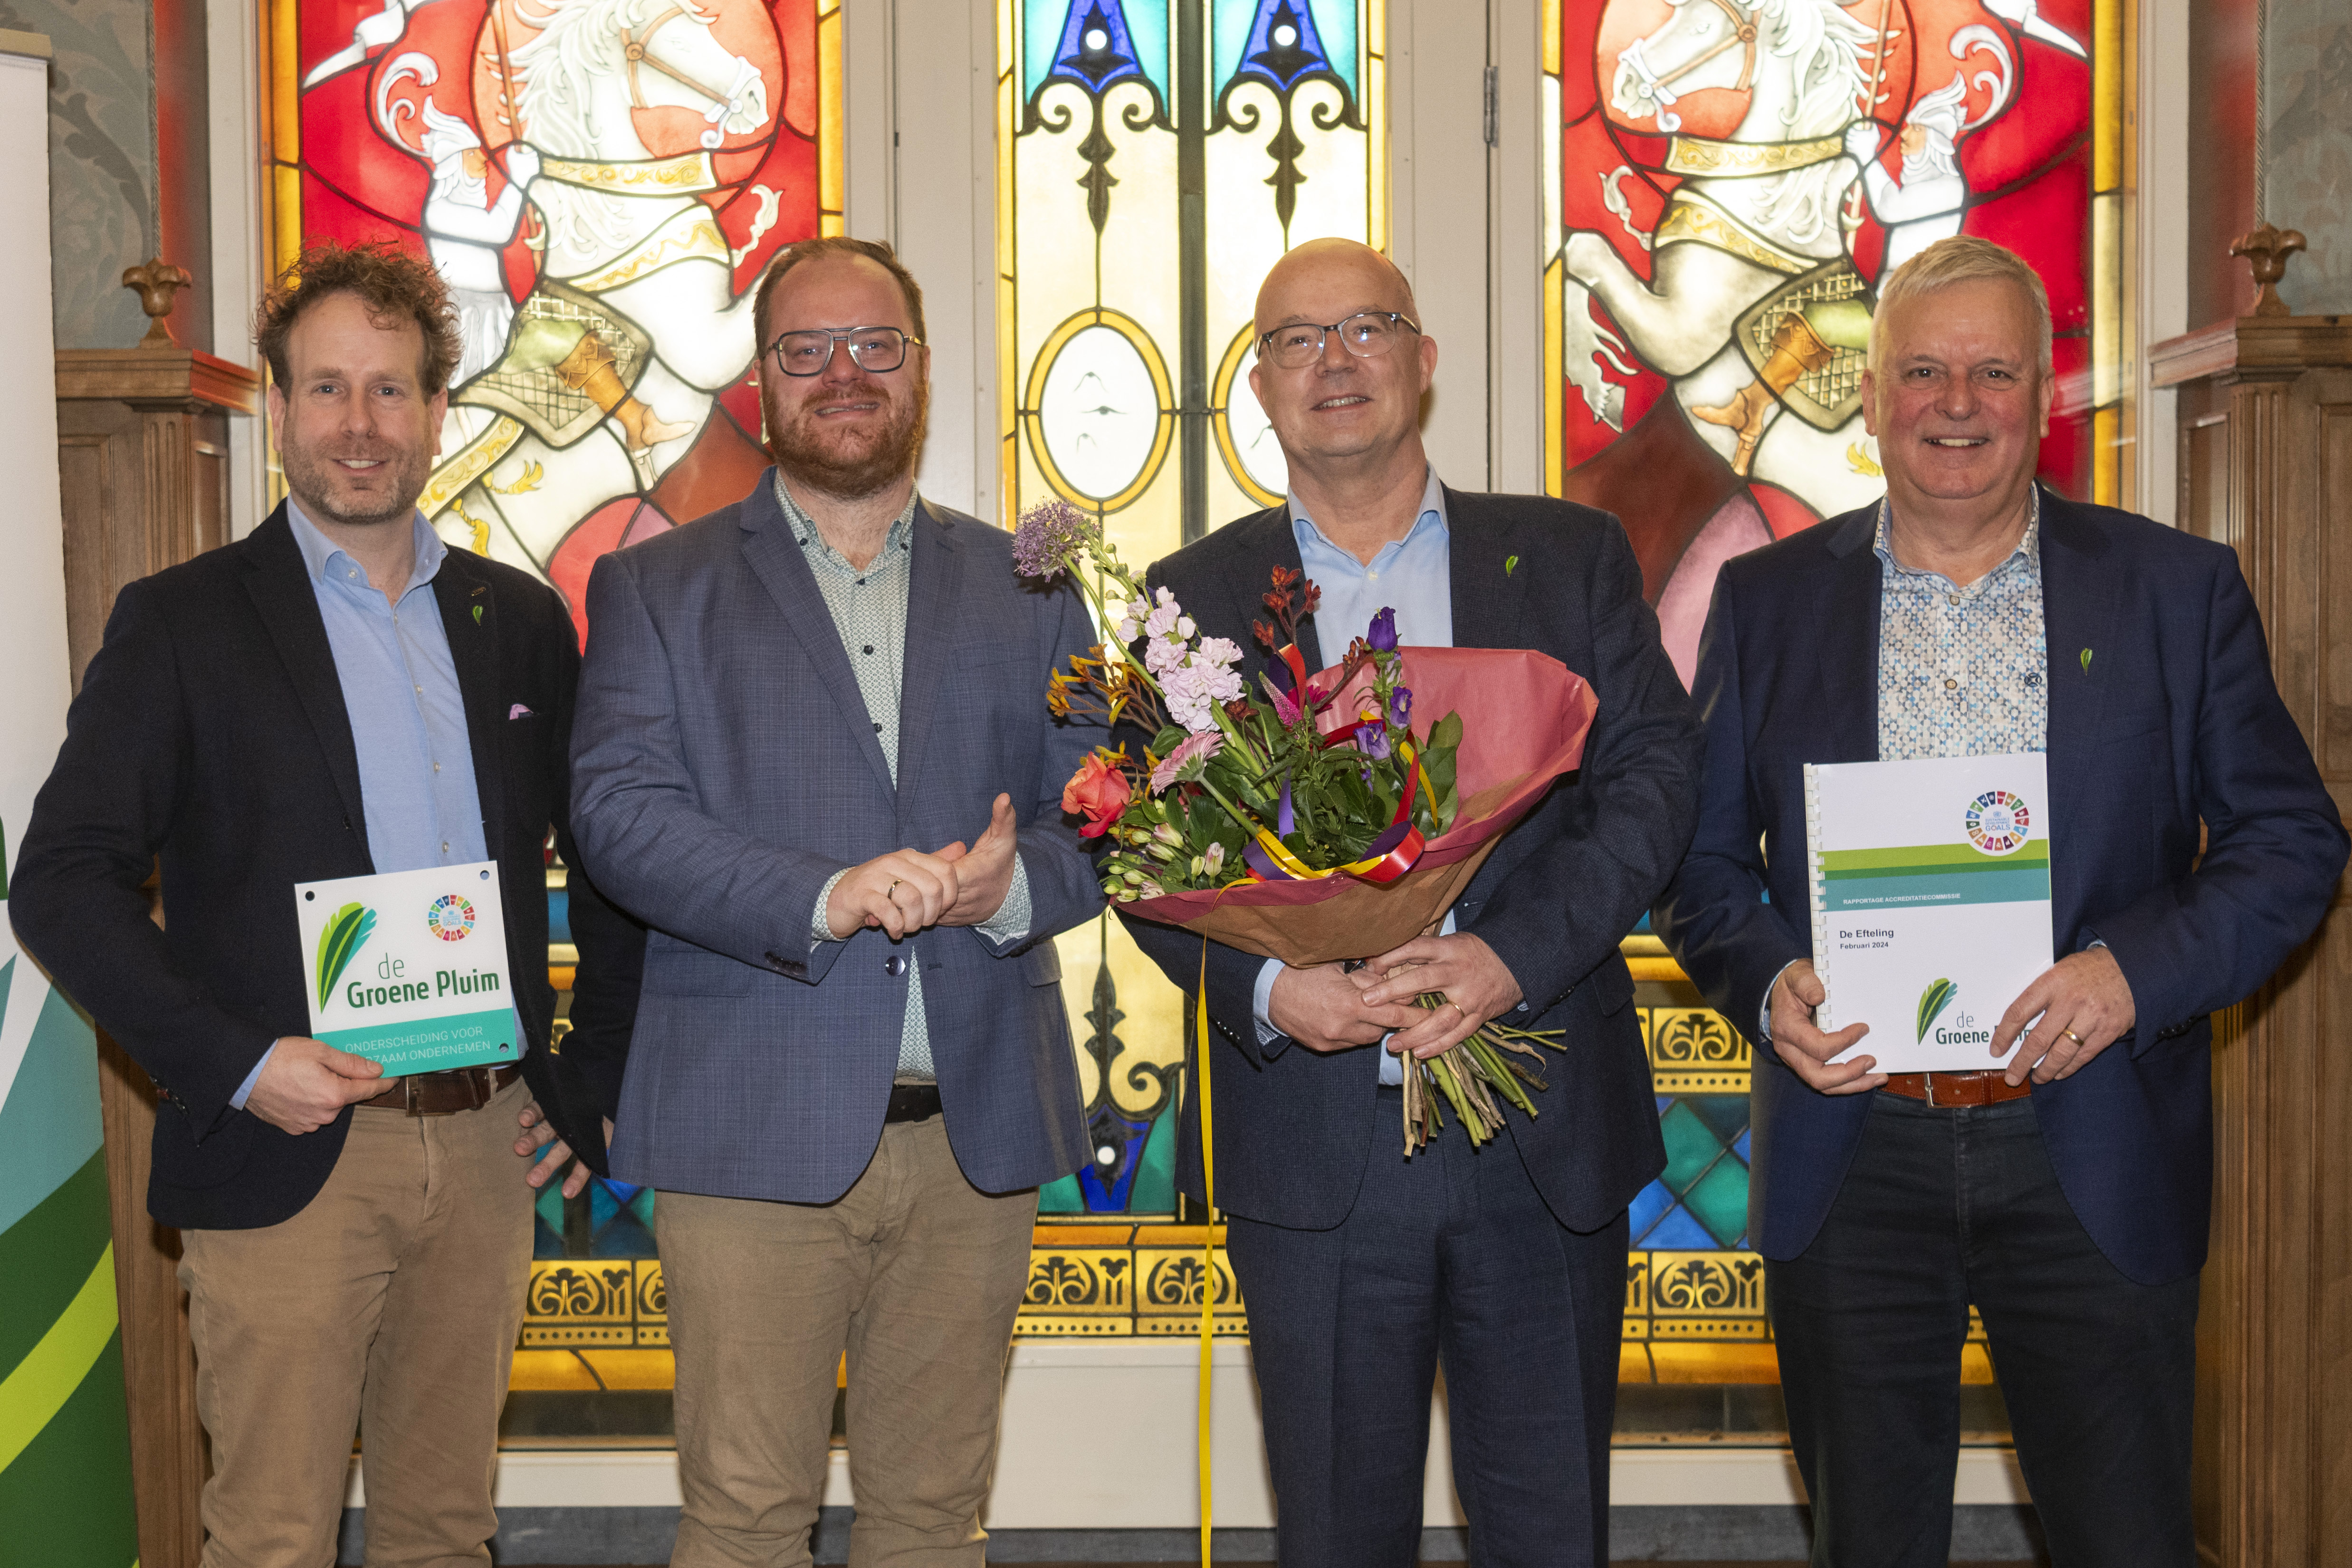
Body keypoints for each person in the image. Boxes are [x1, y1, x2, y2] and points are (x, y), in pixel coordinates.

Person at [1652, 235, 2348, 1567]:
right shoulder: (1765, 600)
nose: (1954, 403)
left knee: (2126, 1537)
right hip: (1855, 1144)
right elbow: (1696, 868)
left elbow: (2291, 839)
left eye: (1992, 372)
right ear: (1869, 395)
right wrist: (1767, 978)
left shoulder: (2171, 591)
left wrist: (2131, 973)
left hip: (2090, 1141)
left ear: (2044, 398)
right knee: (1872, 1538)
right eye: (1921, 369)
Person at [8, 239, 643, 1568]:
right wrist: (239, 1064)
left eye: (393, 391)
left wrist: (581, 1082)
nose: (362, 425)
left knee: (442, 1531)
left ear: (438, 411)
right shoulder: (181, 623)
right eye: (331, 390)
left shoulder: (518, 621)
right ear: (281, 411)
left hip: (480, 1148)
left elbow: (611, 859)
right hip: (291, 1151)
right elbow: (61, 878)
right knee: (274, 1538)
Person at [1120, 237, 1702, 1568]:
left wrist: (1512, 954)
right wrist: (1275, 986)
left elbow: (1659, 785)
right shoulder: (1190, 601)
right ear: (1257, 390)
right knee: (1335, 1538)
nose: (1335, 361)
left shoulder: (1571, 555)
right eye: (1296, 340)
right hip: (1314, 1151)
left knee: (1551, 1534)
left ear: (1423, 361)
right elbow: (1144, 862)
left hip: (1538, 1136)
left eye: (1368, 326)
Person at [566, 236, 1103, 1567]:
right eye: (807, 350)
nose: (844, 375)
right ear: (763, 381)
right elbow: (620, 819)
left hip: (975, 1128)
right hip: (748, 1127)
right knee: (748, 1518)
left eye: (876, 346)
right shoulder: (656, 586)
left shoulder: (1033, 584)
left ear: (922, 371)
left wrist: (1006, 885)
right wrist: (824, 894)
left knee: (932, 1519)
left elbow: (1111, 812)